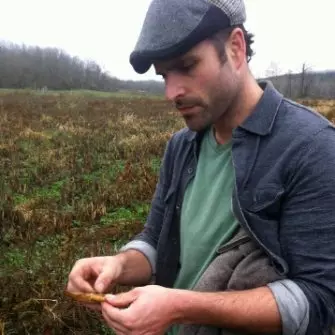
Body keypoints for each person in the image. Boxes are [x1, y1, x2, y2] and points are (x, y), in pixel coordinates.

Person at [66, 0, 335, 334]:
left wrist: (179, 307)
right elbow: (155, 240)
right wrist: (118, 265)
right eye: (165, 74)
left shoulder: (311, 147)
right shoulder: (181, 147)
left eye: (187, 65)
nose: (171, 92)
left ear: (235, 48)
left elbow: (319, 300)